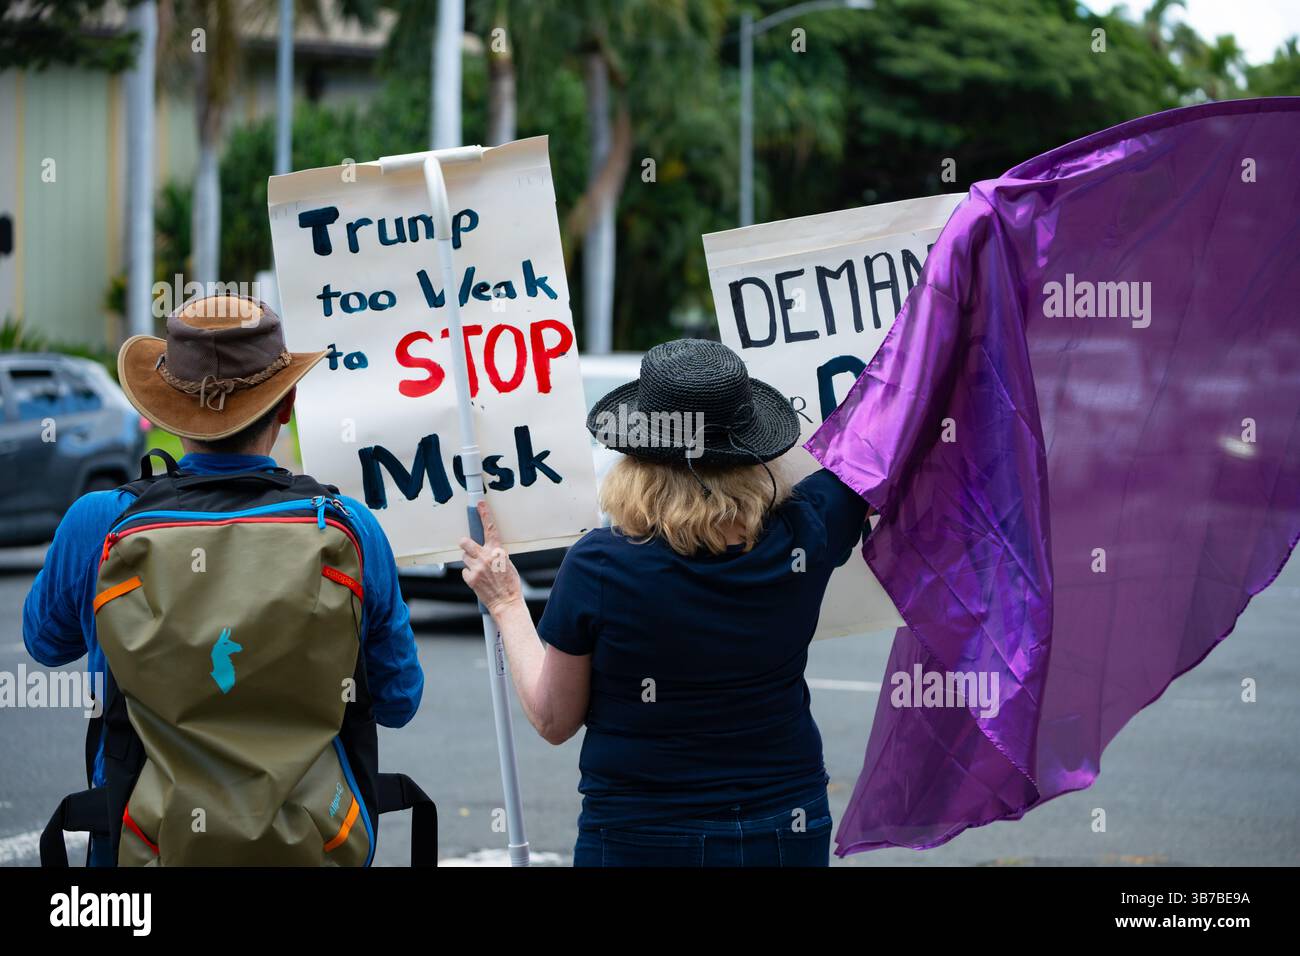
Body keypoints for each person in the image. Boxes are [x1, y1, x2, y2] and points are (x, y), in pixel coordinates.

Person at [23, 294, 423, 865]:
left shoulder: (99, 522)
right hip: (313, 846)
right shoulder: (352, 529)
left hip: (143, 847)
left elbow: (45, 641)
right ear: (286, 406)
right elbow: (397, 701)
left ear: (166, 409)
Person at [460, 338, 869, 866]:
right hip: (786, 826)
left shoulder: (598, 566)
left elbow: (554, 719)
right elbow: (873, 439)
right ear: (752, 449)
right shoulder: (806, 532)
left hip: (641, 836)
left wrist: (508, 601)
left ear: (636, 454)